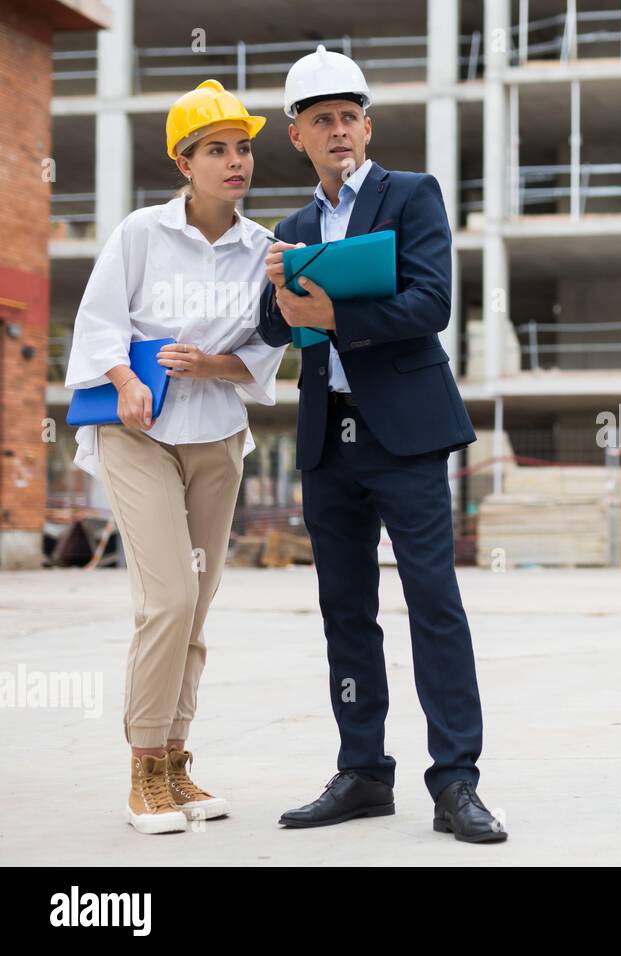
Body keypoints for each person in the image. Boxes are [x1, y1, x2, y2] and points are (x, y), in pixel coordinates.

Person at [258, 46, 505, 843]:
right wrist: (275, 290)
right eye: (320, 121)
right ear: (296, 136)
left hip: (406, 437)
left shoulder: (411, 195)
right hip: (331, 441)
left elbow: (431, 302)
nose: (337, 131)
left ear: (366, 126)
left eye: (348, 118)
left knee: (433, 601)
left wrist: (338, 319)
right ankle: (363, 772)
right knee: (345, 610)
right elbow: (271, 332)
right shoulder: (293, 228)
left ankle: (456, 781)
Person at [63, 79, 287, 834]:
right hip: (139, 435)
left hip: (217, 440)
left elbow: (261, 359)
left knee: (198, 607)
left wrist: (210, 365)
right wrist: (126, 376)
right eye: (216, 149)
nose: (235, 161)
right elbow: (96, 324)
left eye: (244, 147)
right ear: (183, 164)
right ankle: (143, 768)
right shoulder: (140, 235)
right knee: (167, 601)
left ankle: (178, 763)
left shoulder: (264, 251)